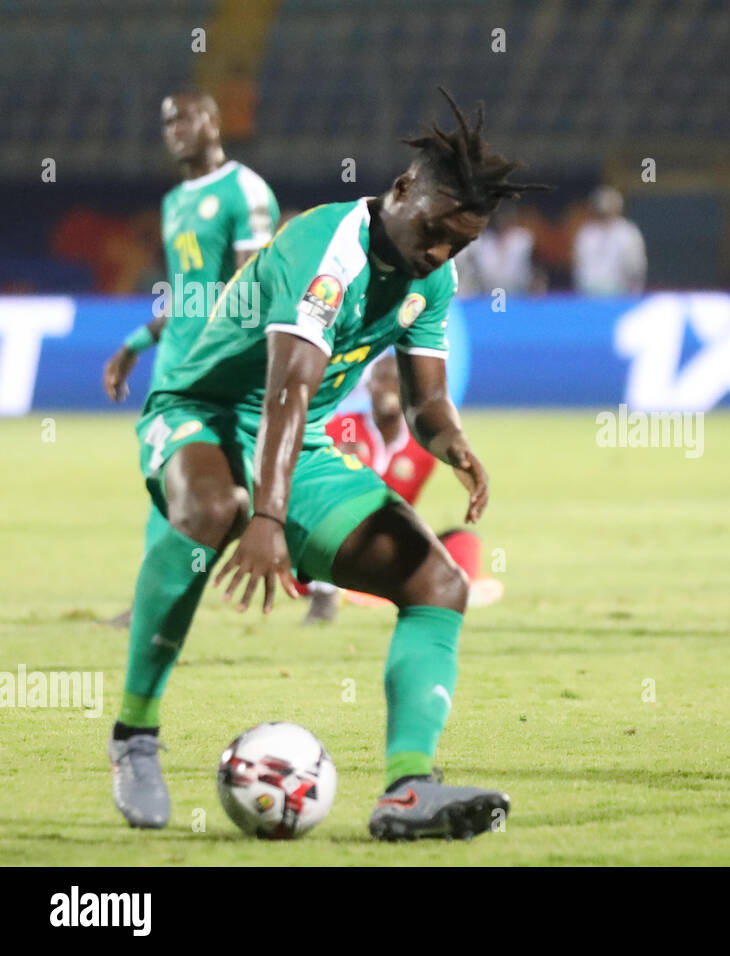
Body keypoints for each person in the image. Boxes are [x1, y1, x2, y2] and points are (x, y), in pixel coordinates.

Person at [107, 89, 547, 840]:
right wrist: (269, 517)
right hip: (200, 412)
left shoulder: (428, 279)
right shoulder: (327, 246)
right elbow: (289, 387)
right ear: (404, 191)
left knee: (438, 582)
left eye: (461, 246)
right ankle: (135, 735)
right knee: (214, 512)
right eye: (439, 231)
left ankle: (409, 789)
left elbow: (425, 403)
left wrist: (455, 446)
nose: (442, 253)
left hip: (295, 441)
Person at [102, 91, 279, 628]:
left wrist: (241, 361)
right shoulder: (174, 201)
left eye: (186, 117)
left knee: (236, 489)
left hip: (220, 376)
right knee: (168, 483)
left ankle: (316, 577)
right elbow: (187, 292)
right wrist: (135, 343)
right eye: (167, 121)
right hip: (174, 369)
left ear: (215, 121)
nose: (176, 128)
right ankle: (150, 601)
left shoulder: (244, 191)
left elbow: (256, 289)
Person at [302, 351, 505, 623]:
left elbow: (404, 507)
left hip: (389, 541)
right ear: (369, 386)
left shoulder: (419, 448)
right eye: (381, 380)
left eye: (396, 381)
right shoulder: (346, 427)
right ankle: (357, 590)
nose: (388, 389)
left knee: (462, 539)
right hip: (340, 539)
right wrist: (339, 458)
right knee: (301, 556)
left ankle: (459, 585)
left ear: (409, 388)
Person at [572, 186, 646, 294]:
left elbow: (636, 266)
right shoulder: (587, 233)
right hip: (589, 290)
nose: (605, 212)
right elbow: (579, 264)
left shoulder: (628, 232)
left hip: (620, 290)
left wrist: (633, 290)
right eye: (602, 210)